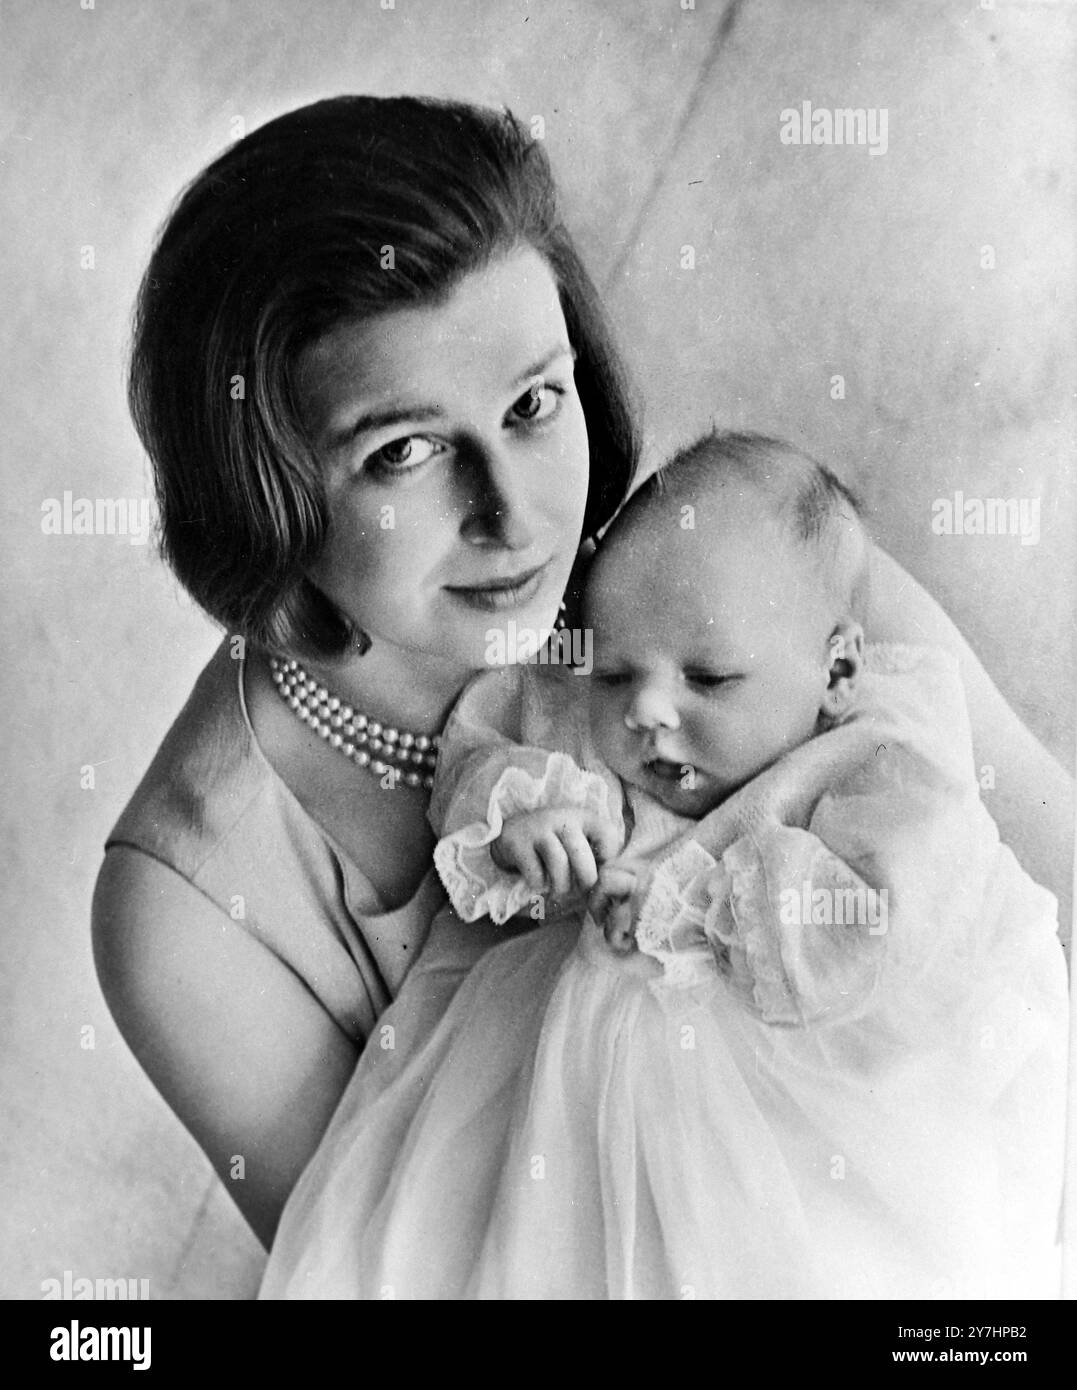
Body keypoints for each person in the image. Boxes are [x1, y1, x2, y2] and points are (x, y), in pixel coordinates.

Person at [92, 96, 1074, 1259]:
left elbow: (1044, 877)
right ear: (266, 481)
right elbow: (402, 1262)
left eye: (532, 404)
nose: (516, 515)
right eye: (402, 450)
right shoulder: (188, 915)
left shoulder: (740, 566)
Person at [259, 433, 1068, 1300]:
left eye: (709, 679)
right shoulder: (585, 734)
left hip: (797, 1092)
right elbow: (479, 762)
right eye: (615, 674)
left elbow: (891, 922)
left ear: (834, 669)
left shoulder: (868, 761)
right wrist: (529, 830)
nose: (647, 709)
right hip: (575, 1089)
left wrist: (702, 909)